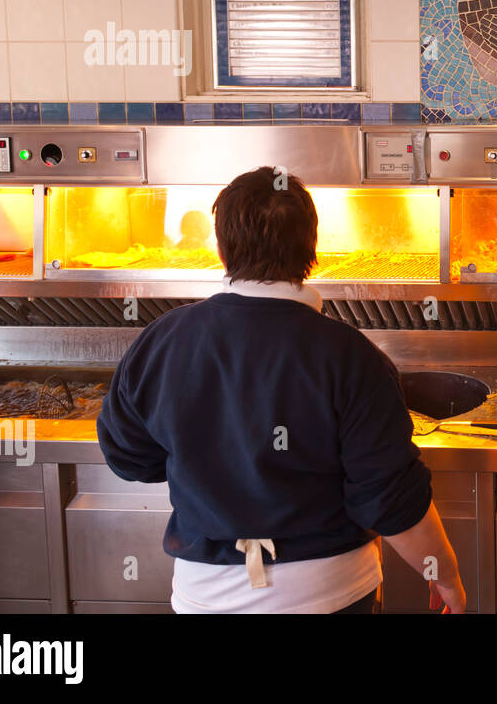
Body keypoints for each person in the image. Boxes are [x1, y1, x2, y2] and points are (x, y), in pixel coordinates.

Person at [97, 166, 466, 614]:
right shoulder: (351, 356)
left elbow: (127, 456)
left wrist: (205, 460)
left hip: (203, 594)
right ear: (312, 249)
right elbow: (389, 499)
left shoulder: (162, 341)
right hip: (329, 593)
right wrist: (444, 575)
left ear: (220, 248)